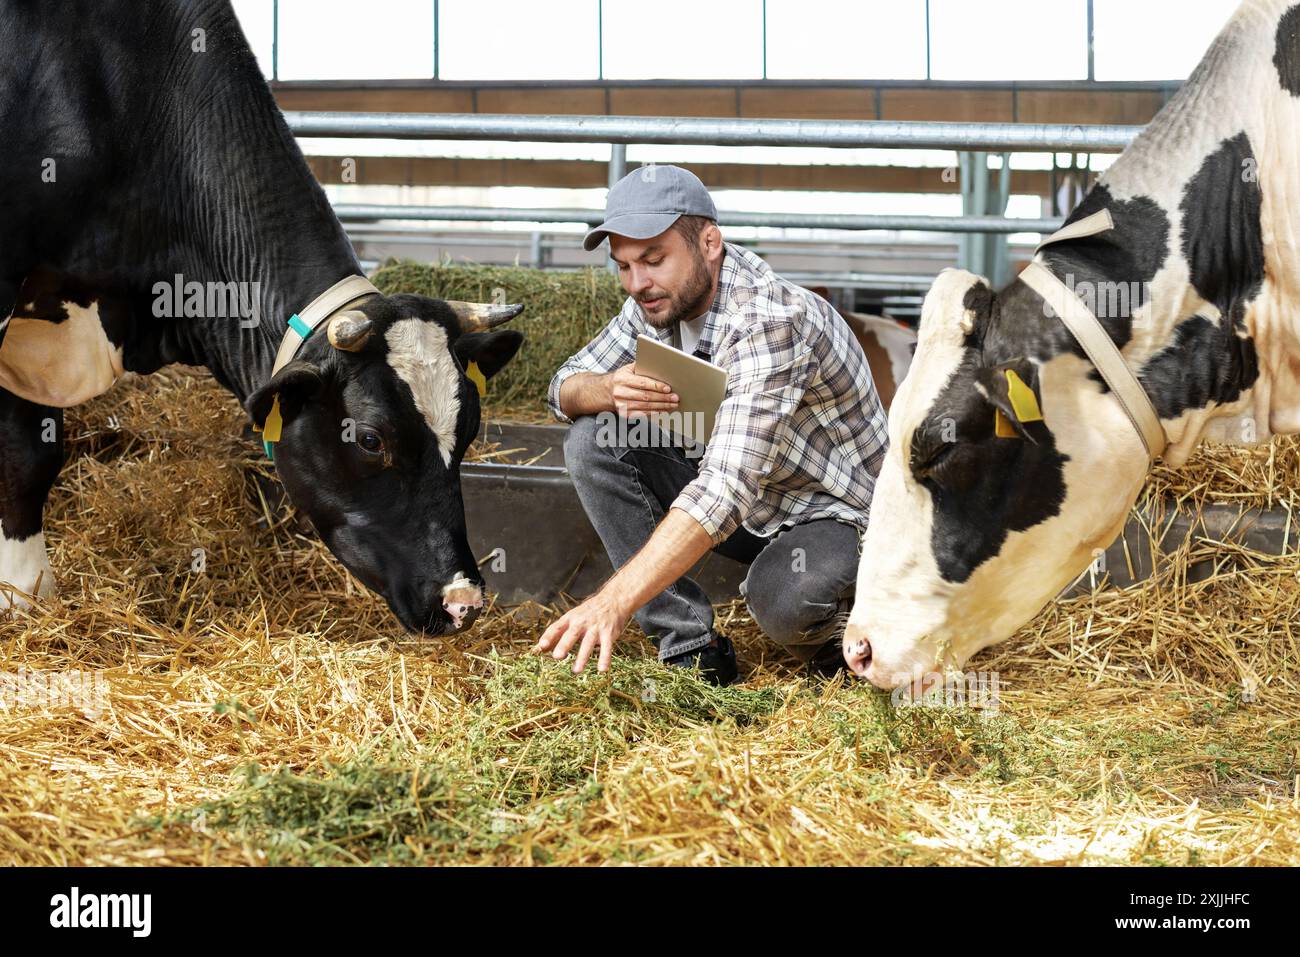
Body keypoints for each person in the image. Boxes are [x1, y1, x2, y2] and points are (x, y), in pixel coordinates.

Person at [533, 165, 888, 684]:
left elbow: (723, 490)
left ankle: (844, 651)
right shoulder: (659, 300)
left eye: (653, 260)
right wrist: (604, 389)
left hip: (837, 516)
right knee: (593, 438)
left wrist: (611, 602)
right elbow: (561, 385)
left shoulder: (770, 320)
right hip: (755, 508)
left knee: (784, 600)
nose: (637, 283)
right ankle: (692, 650)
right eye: (624, 265)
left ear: (709, 242)